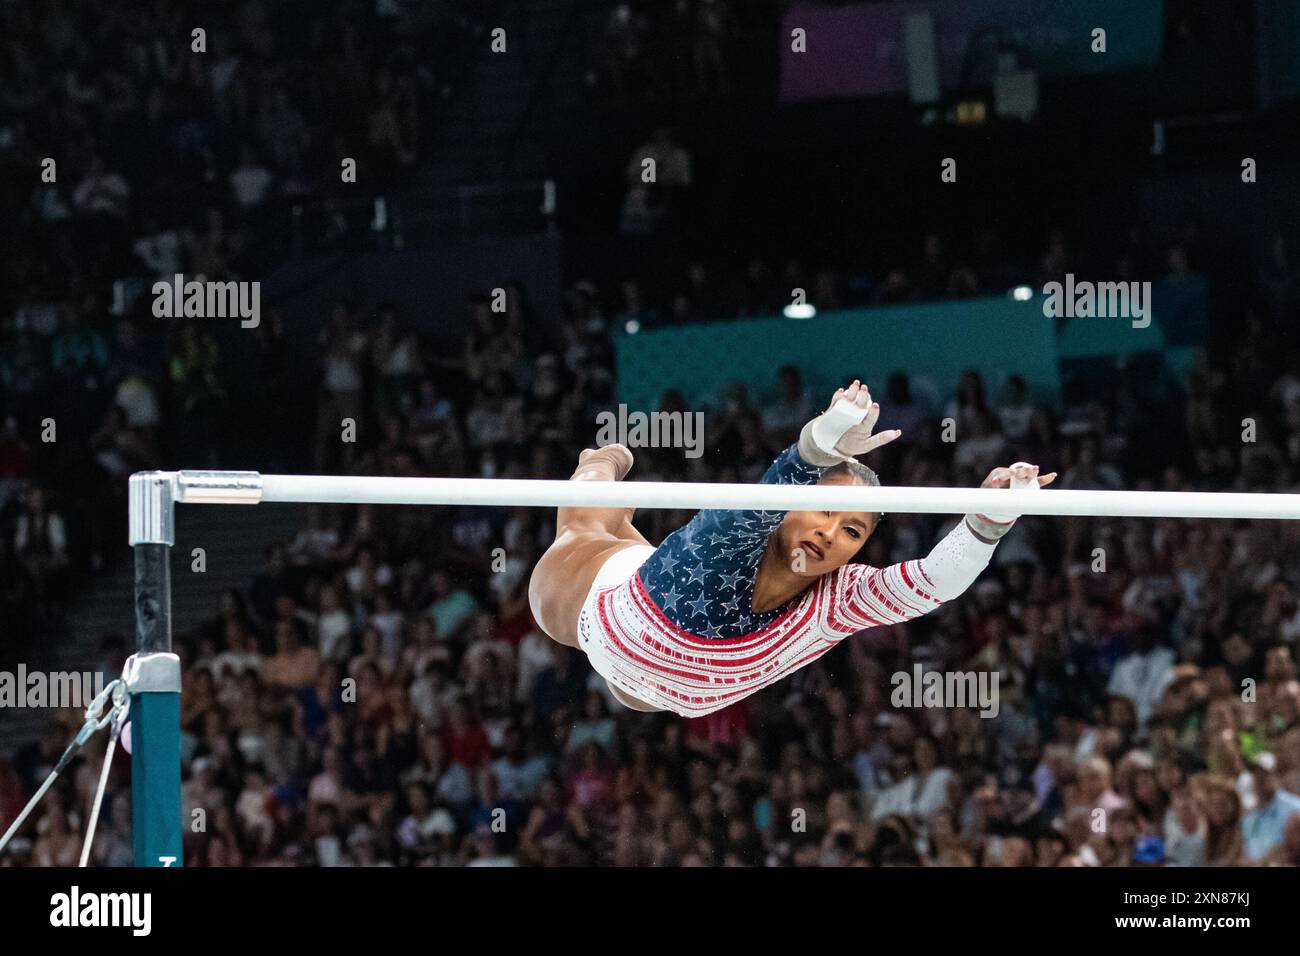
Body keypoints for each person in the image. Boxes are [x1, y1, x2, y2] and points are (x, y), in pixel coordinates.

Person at [528, 380, 1055, 716]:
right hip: (594, 607)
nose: (830, 534)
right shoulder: (735, 539)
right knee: (587, 527)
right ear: (790, 507)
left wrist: (990, 520)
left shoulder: (838, 600)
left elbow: (934, 581)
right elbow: (772, 490)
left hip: (650, 687)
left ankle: (611, 488)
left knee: (619, 535)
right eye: (823, 511)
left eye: (852, 531)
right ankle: (603, 460)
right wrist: (823, 436)